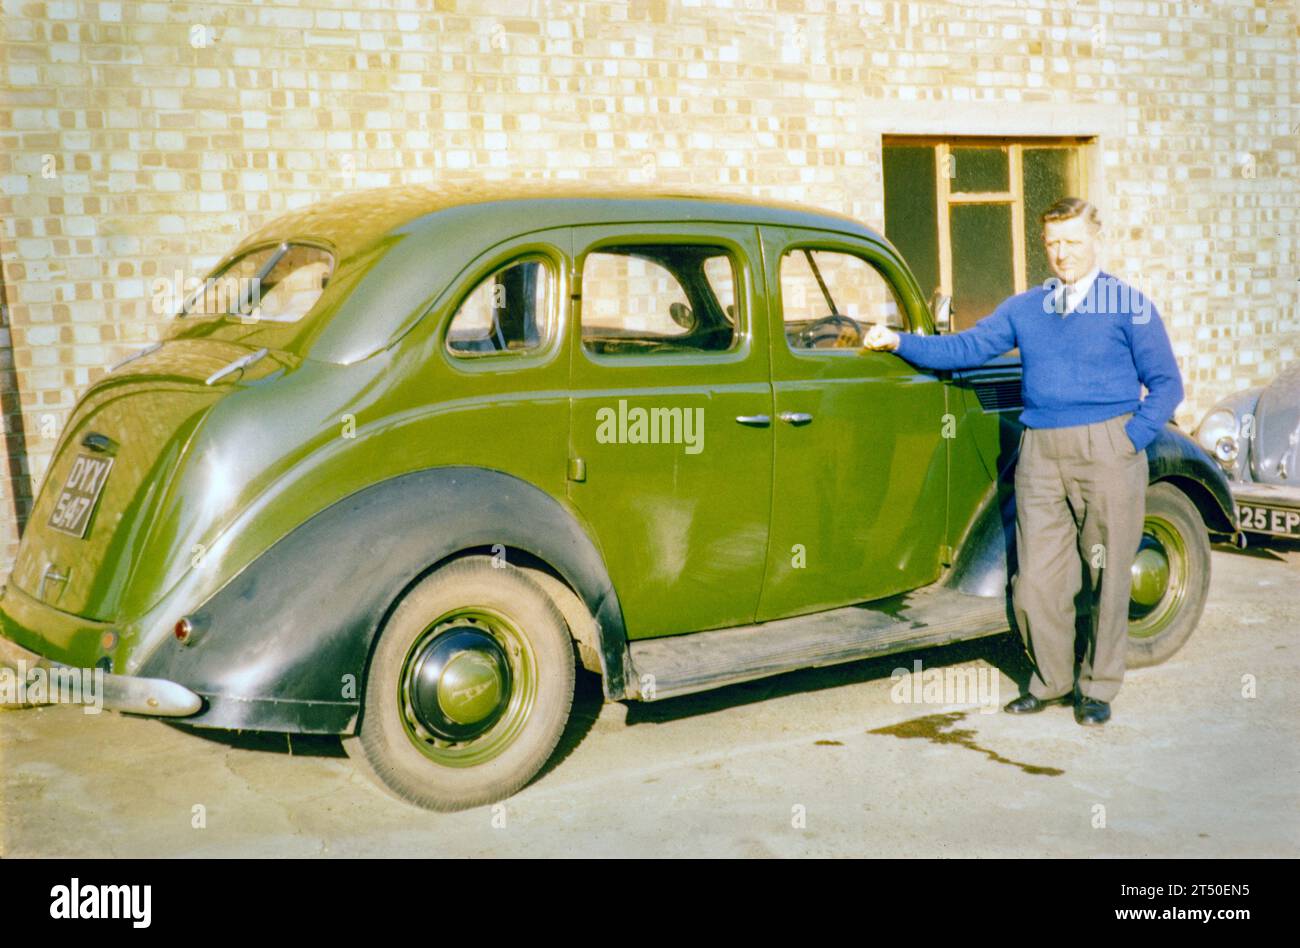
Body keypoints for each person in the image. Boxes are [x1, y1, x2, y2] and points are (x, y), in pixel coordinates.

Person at [863, 197, 1184, 725]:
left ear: (1095, 239)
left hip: (1108, 449)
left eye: (1073, 241)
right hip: (1040, 451)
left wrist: (1130, 439)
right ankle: (1053, 680)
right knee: (1036, 579)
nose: (1063, 254)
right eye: (1053, 243)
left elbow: (1168, 385)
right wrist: (899, 341)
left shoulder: (1129, 305)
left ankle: (1097, 687)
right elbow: (965, 349)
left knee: (1106, 576)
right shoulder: (1025, 308)